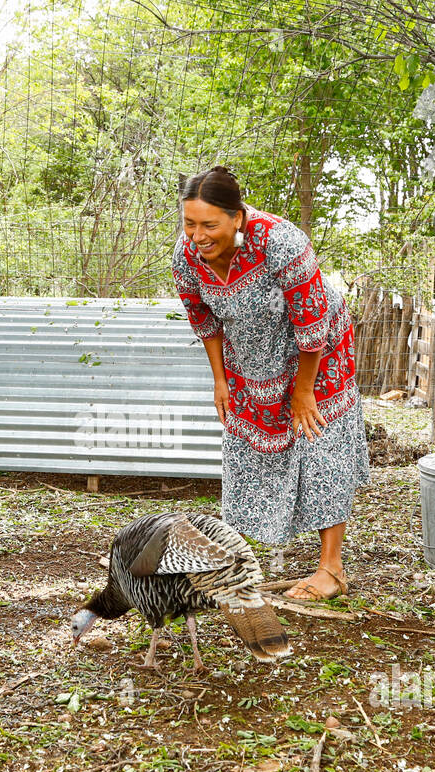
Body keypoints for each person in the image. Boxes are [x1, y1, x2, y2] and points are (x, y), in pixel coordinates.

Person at [171, 166, 369, 602]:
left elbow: (312, 319)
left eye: (209, 224)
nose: (198, 235)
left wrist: (303, 391)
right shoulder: (186, 258)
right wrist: (220, 380)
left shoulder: (281, 242)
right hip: (250, 357)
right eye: (189, 223)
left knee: (319, 442)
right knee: (246, 446)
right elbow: (202, 320)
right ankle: (237, 563)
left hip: (317, 351)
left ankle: (331, 570)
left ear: (237, 217)